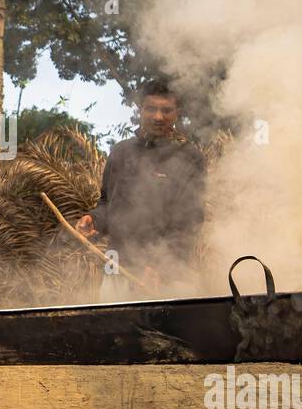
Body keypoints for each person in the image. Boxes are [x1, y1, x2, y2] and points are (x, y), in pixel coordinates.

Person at [75, 80, 205, 297]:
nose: (158, 117)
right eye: (151, 108)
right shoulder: (120, 152)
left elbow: (190, 221)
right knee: (113, 328)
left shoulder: (189, 157)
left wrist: (161, 266)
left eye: (166, 110)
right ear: (140, 110)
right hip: (116, 266)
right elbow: (107, 203)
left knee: (163, 331)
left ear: (177, 113)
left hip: (167, 276)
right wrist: (93, 219)